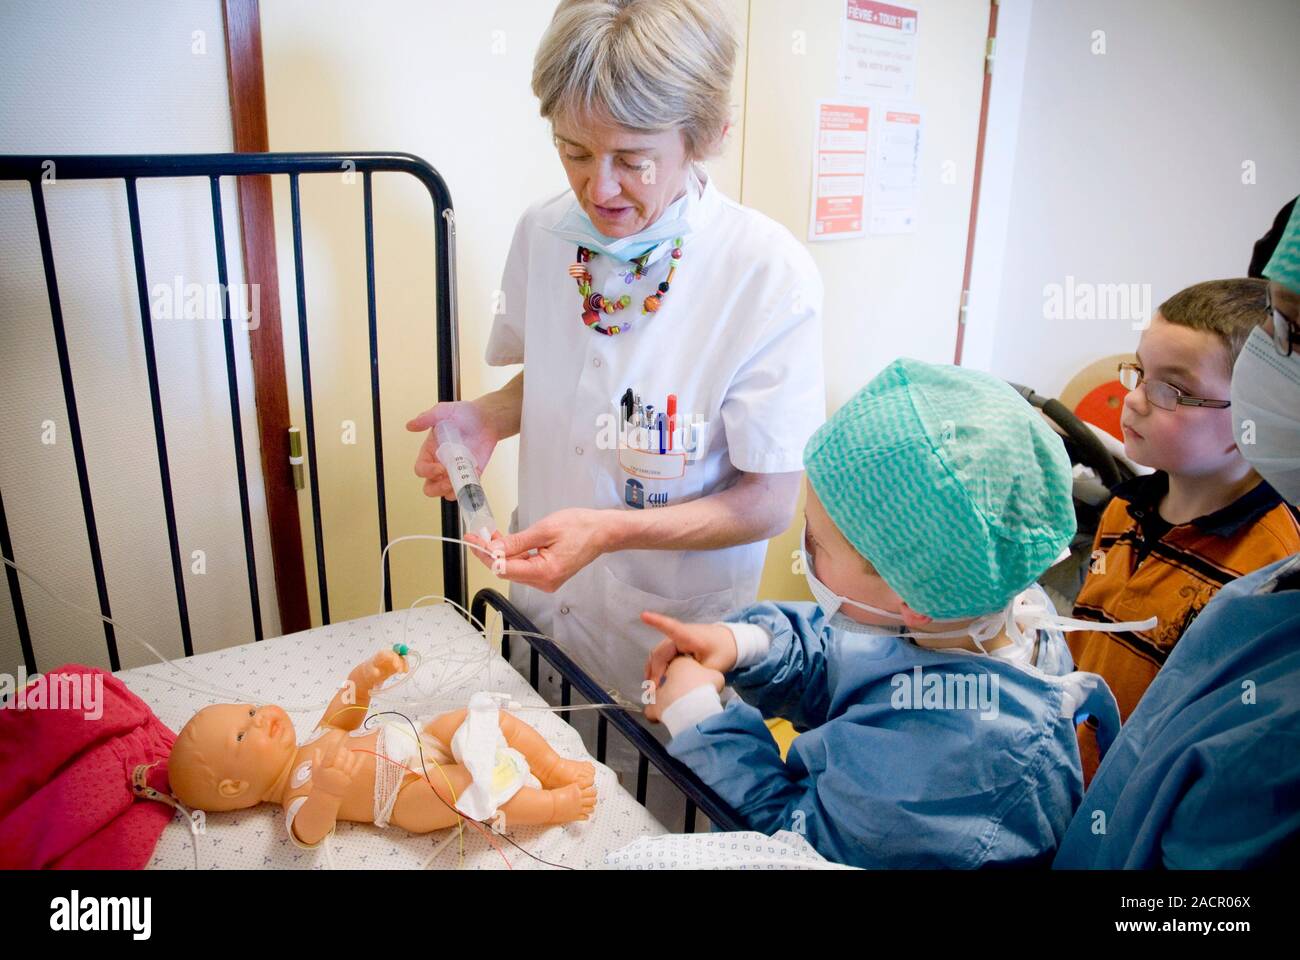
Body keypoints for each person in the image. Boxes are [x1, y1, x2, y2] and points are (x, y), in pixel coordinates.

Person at [405, 0, 824, 749]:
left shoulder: (765, 274)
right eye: (573, 151)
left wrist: (611, 532)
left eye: (632, 160)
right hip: (545, 620)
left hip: (665, 645)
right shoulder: (545, 233)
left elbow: (768, 502)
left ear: (706, 138)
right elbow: (562, 381)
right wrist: (487, 417)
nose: (598, 190)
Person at [639, 359, 1151, 868]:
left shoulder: (954, 766)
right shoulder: (976, 613)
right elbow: (845, 652)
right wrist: (747, 645)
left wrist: (699, 721)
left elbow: (795, 850)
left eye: (816, 542)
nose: (804, 549)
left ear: (912, 596)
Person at [1055, 201, 1300, 868]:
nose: (1133, 399)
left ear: (1260, 408)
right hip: (1067, 786)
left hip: (1138, 818)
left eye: (1174, 391)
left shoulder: (1269, 569)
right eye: (1138, 372)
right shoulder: (1122, 513)